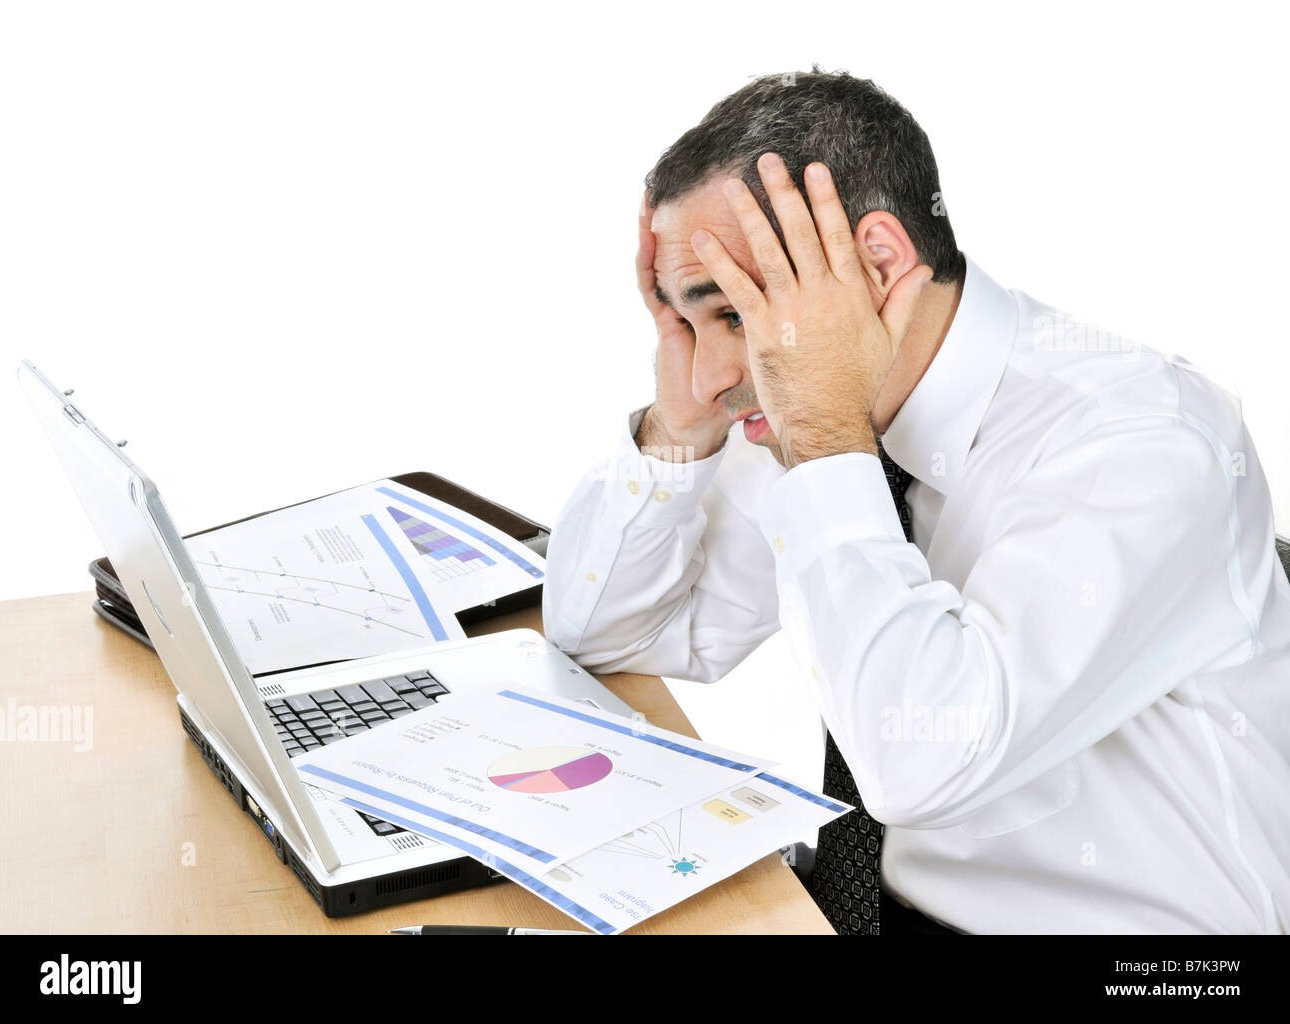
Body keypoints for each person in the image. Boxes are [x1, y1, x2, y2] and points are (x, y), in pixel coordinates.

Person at [541, 69, 1290, 934]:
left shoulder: (1141, 443)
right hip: (870, 910)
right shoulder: (805, 408)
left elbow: (919, 764)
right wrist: (678, 424)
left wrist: (826, 441)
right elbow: (600, 634)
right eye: (683, 322)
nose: (714, 374)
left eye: (737, 316)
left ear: (881, 265)